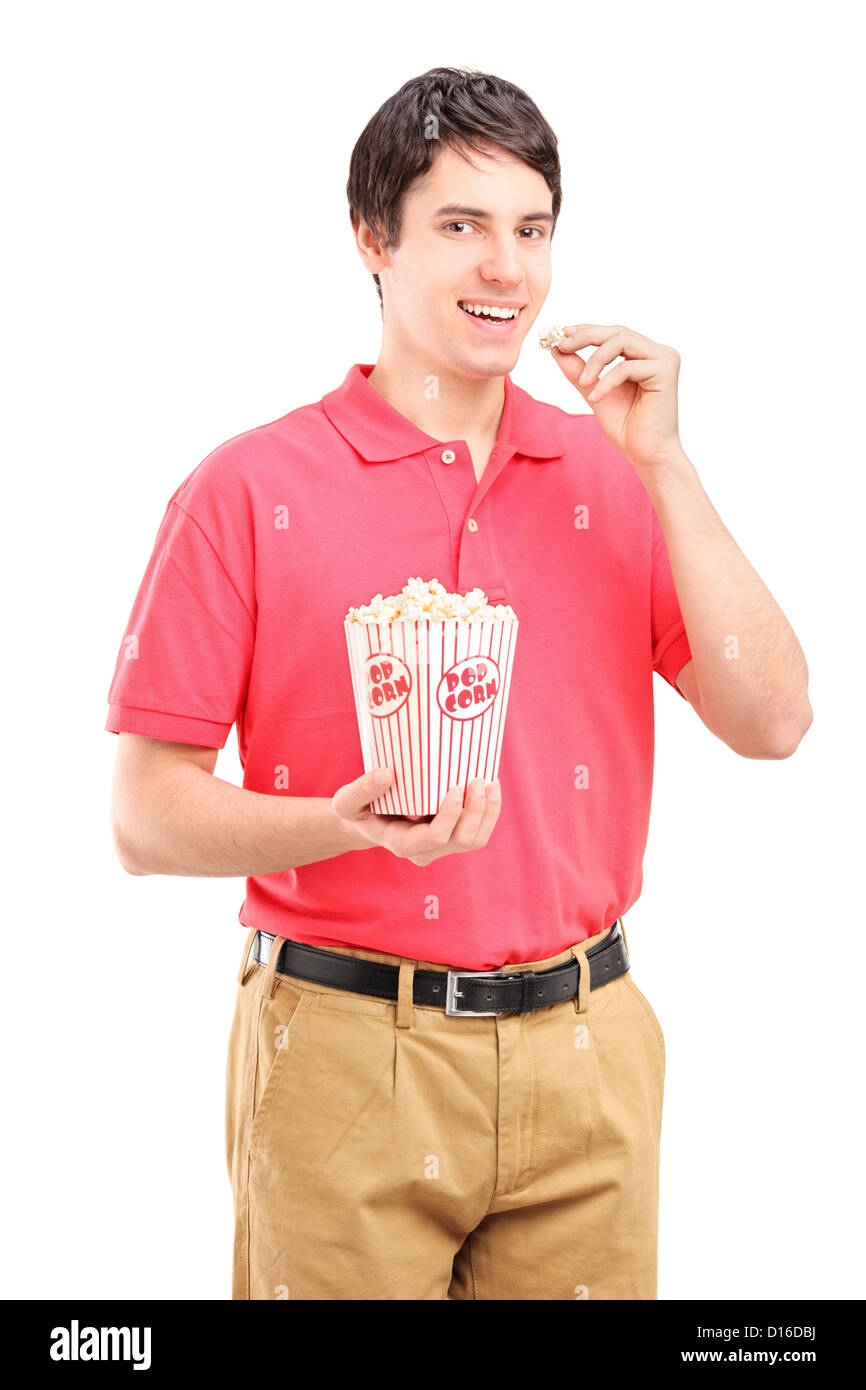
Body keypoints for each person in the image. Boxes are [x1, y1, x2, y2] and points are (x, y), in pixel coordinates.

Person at [105, 66, 813, 1301]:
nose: (506, 268)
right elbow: (143, 814)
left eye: (530, 229)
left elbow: (773, 720)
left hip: (588, 1050)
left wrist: (667, 464)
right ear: (371, 241)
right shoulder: (244, 490)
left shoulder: (612, 472)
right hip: (338, 1052)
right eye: (460, 226)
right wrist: (332, 824)